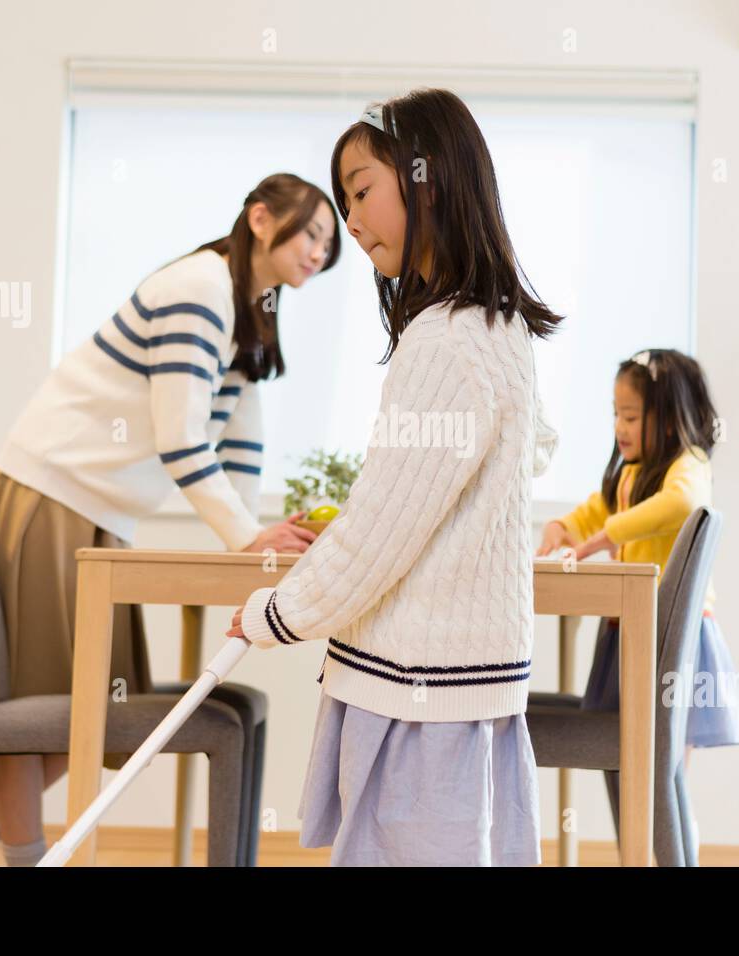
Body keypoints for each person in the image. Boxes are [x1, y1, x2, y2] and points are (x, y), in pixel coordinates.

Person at [0, 173, 342, 866]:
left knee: (89, 713)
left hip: (94, 513)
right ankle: (21, 855)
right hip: (53, 498)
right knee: (38, 713)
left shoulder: (249, 304)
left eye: (327, 242)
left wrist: (251, 537)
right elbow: (182, 437)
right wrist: (245, 536)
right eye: (312, 232)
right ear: (260, 219)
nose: (320, 250)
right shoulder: (199, 288)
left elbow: (241, 438)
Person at [226, 89, 563, 865]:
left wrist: (279, 611)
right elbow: (525, 444)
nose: (350, 218)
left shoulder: (443, 341)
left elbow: (379, 532)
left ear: (427, 177)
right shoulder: (500, 328)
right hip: (463, 694)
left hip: (420, 696)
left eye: (361, 190)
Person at [537, 347, 739, 851]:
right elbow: (593, 511)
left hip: (674, 642)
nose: (620, 427)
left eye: (630, 416)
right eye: (615, 415)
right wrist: (564, 527)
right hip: (625, 636)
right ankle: (643, 851)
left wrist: (607, 535)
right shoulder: (629, 476)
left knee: (665, 771)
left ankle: (671, 849)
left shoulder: (687, 466)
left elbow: (684, 503)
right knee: (626, 758)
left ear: (669, 420)